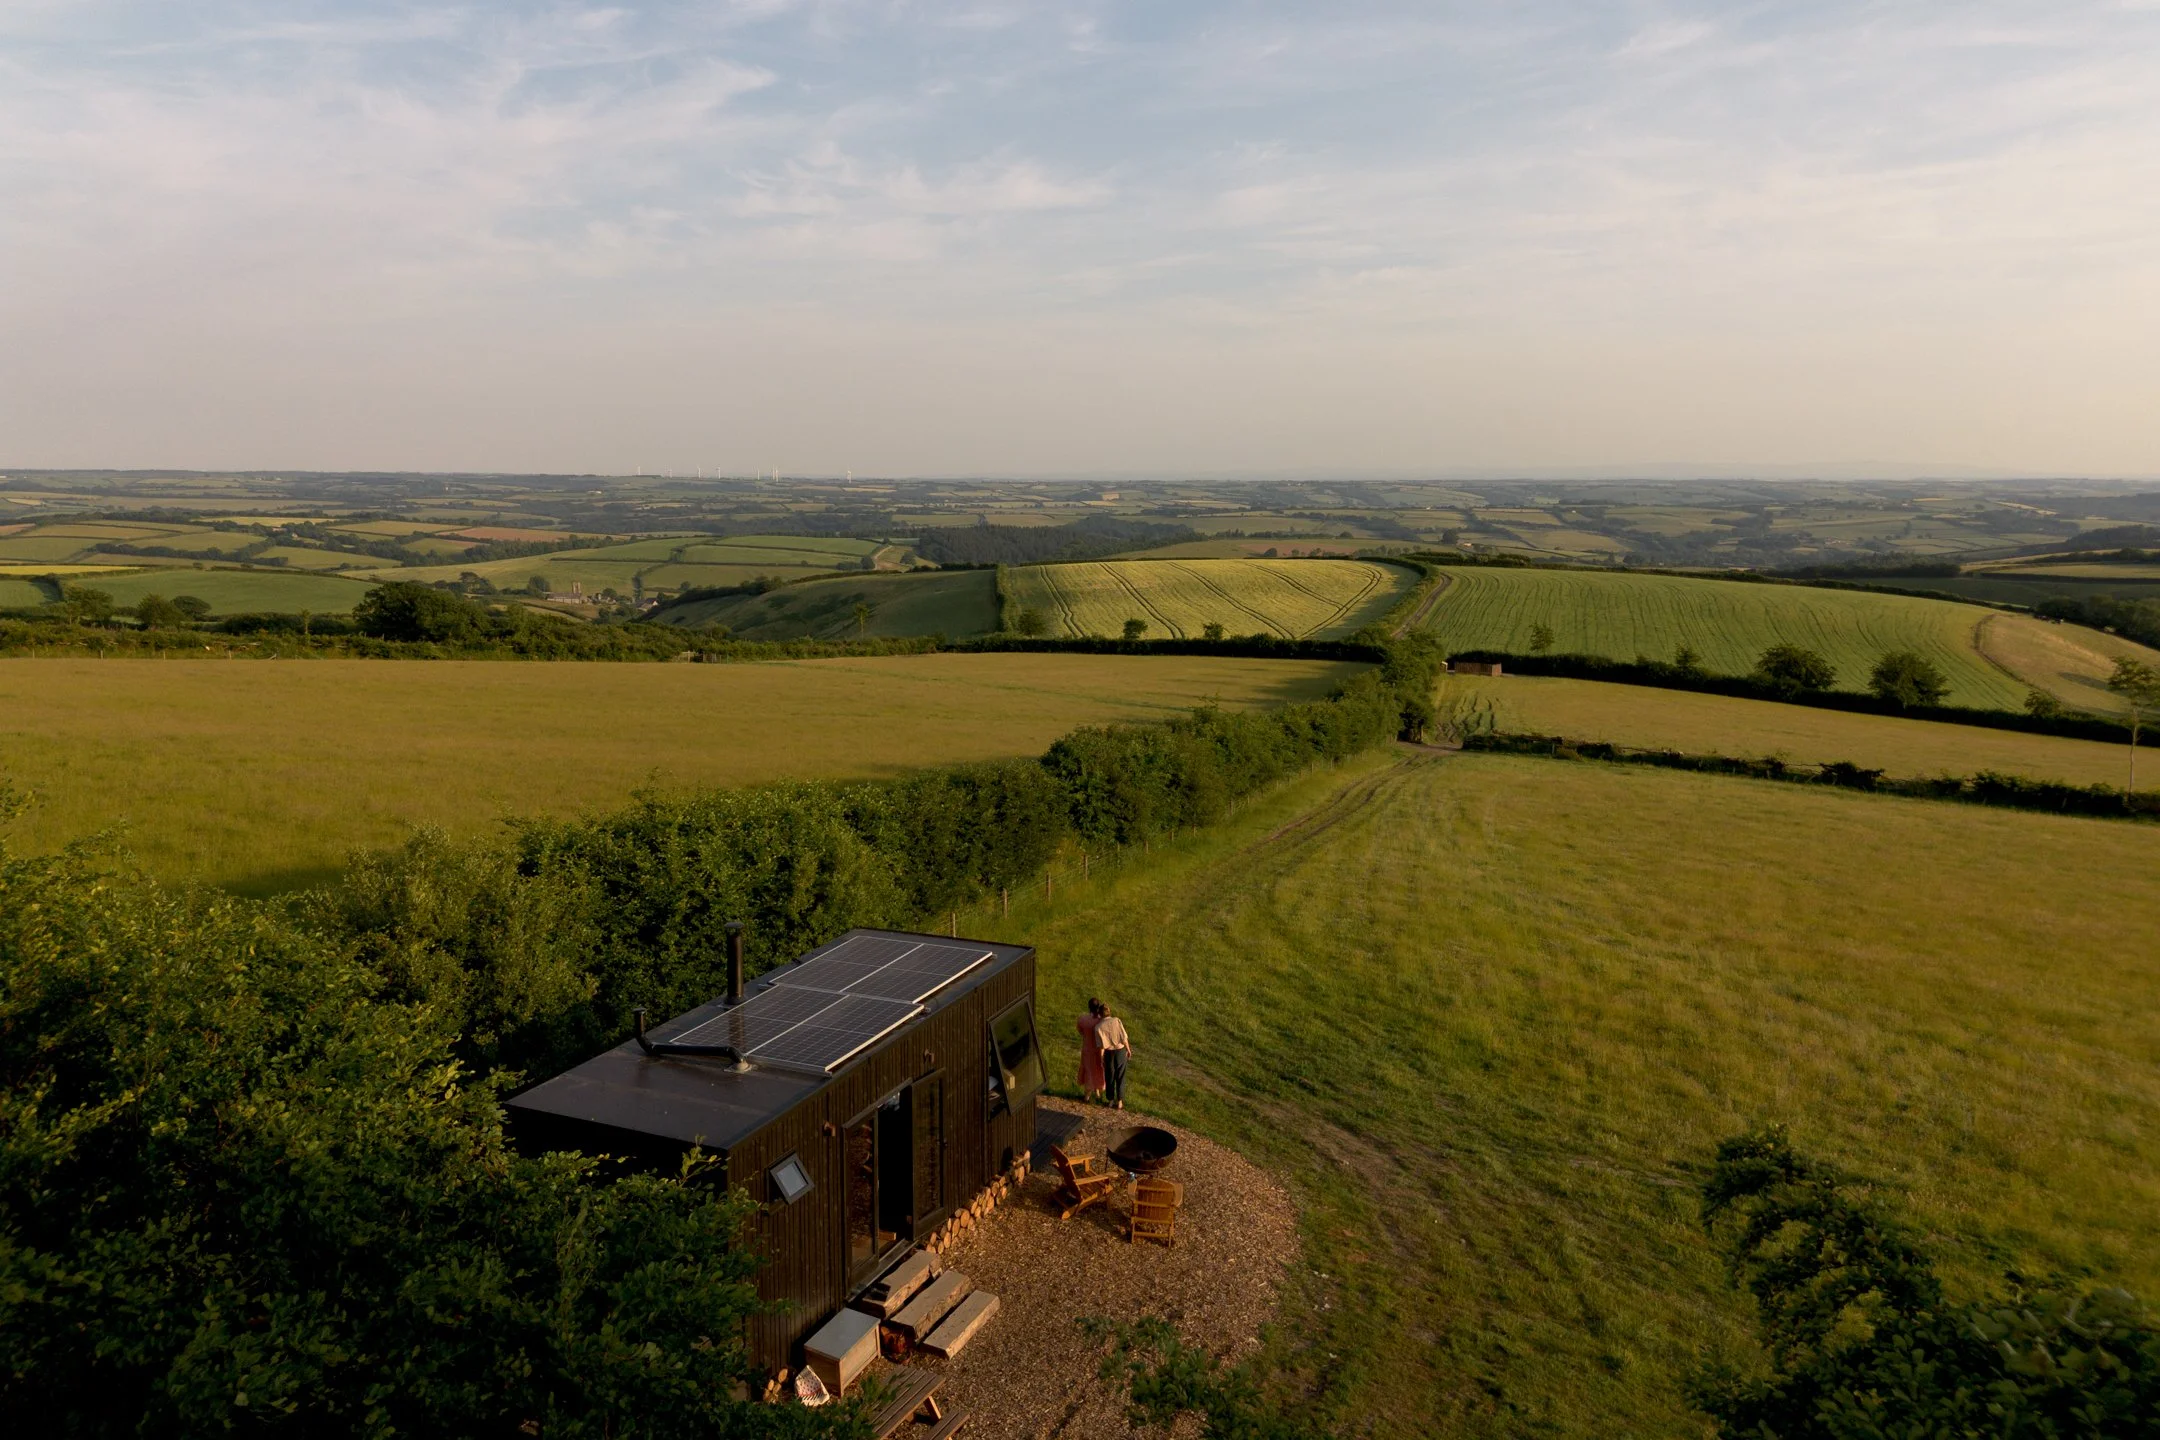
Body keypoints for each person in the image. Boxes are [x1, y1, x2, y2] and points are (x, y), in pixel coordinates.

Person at [1094, 1003, 1131, 1110]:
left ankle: (1110, 1100)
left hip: (1108, 1053)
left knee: (1109, 1076)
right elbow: (1124, 1037)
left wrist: (1101, 1057)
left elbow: (1101, 1046)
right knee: (1120, 1076)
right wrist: (1128, 1049)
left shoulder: (1098, 1027)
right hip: (1120, 1051)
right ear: (1109, 1012)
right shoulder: (1116, 1020)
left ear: (1100, 1015)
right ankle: (1120, 1101)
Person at [1077, 999, 1105, 1102]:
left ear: (1089, 1007)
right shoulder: (1101, 1021)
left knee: (1088, 1070)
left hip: (1087, 1049)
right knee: (1097, 1070)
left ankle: (1087, 1096)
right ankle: (1097, 1092)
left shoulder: (1083, 1019)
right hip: (1098, 1050)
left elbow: (1080, 1031)